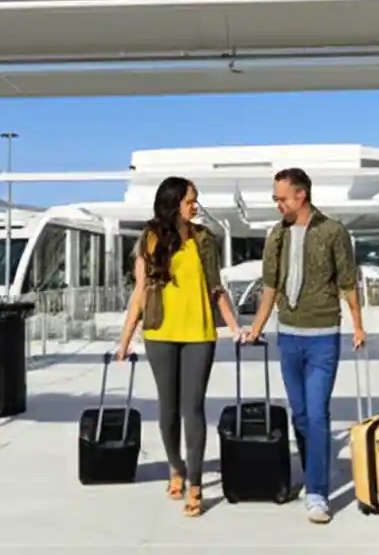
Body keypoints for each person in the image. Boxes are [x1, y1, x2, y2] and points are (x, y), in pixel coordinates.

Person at [244, 167, 365, 524]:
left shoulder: (333, 232)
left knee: (317, 413)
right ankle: (315, 470)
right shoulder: (276, 236)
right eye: (275, 198)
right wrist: (255, 329)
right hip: (290, 338)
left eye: (282, 198)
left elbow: (347, 281)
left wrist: (357, 325)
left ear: (301, 196)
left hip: (323, 337)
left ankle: (317, 492)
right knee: (298, 414)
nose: (277, 204)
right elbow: (270, 287)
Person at [116, 176, 241, 518]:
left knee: (193, 408)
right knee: (168, 410)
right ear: (173, 203)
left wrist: (234, 326)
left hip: (199, 333)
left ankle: (197, 484)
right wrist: (125, 339)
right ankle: (176, 468)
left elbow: (216, 288)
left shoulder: (204, 239)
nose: (195, 206)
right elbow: (139, 291)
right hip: (159, 333)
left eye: (196, 200)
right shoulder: (150, 238)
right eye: (190, 200)